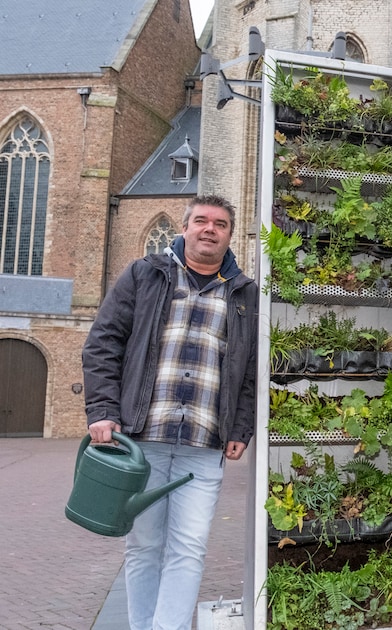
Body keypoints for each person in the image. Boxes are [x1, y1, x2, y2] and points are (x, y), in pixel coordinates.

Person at [82, 195, 257, 629]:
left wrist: (241, 426)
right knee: (144, 545)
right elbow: (103, 342)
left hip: (204, 444)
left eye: (220, 224)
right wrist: (102, 409)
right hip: (144, 441)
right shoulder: (145, 275)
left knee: (190, 545)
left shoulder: (245, 293)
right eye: (201, 221)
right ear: (184, 228)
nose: (209, 229)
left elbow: (251, 366)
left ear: (229, 235)